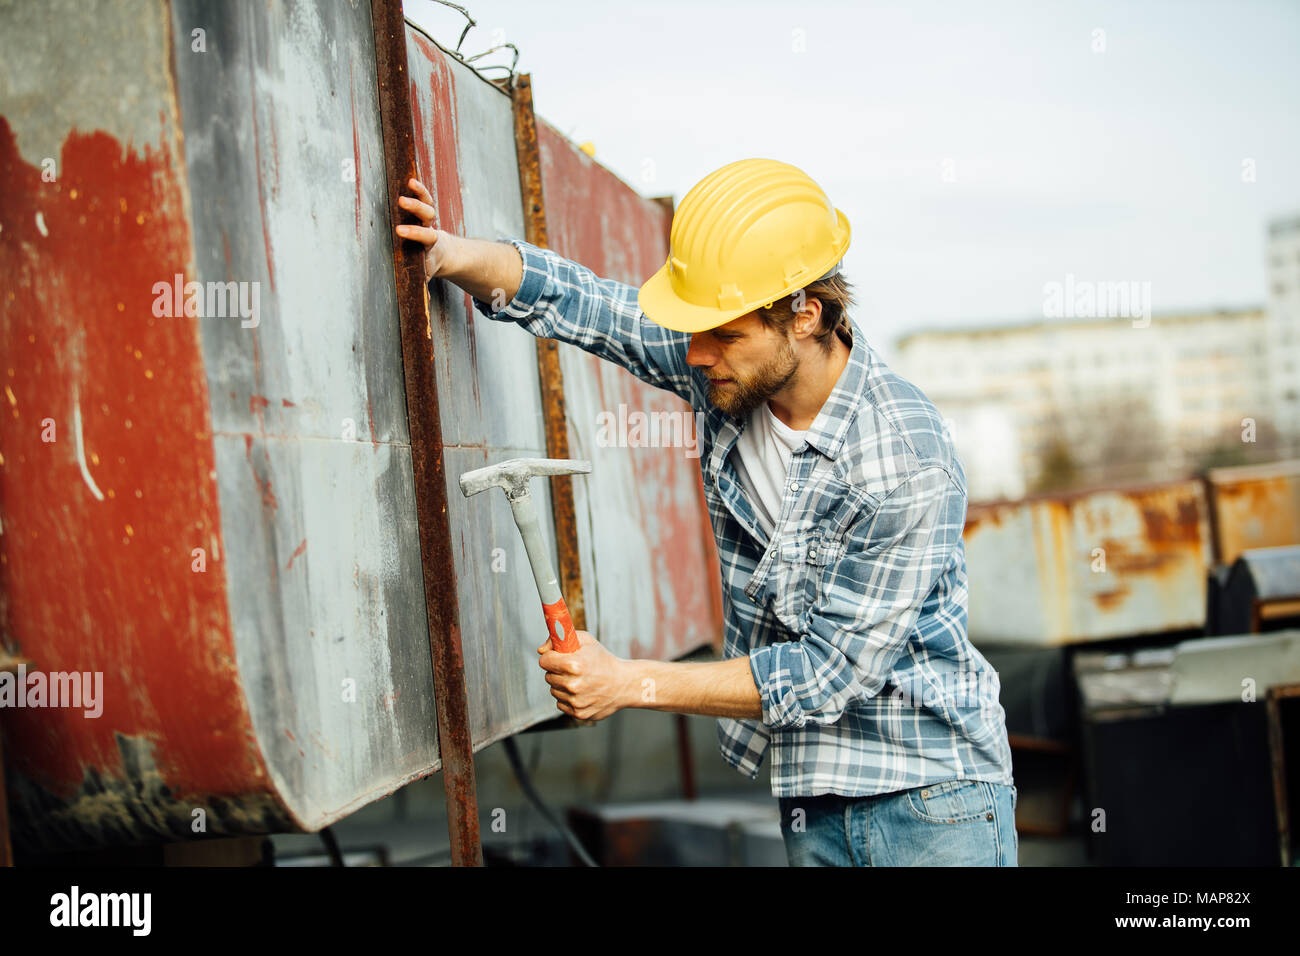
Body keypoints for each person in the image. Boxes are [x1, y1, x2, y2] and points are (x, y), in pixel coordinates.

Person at [395, 158, 1017, 866]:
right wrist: (451, 254)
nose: (695, 353)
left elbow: (825, 674)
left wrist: (629, 681)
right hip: (813, 793)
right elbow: (590, 304)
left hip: (931, 803)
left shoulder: (903, 457)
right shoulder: (732, 368)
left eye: (719, 333)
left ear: (804, 314)